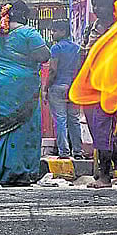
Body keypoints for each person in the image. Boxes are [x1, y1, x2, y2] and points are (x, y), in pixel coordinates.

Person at [0, 0, 50, 187]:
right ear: (24, 15)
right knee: (22, 130)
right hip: (22, 91)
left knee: (0, 131)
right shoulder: (28, 33)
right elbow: (44, 56)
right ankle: (18, 172)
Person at [83, 0, 117, 186]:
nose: (96, 9)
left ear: (112, 5)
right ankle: (109, 173)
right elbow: (86, 56)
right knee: (101, 131)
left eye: (100, 5)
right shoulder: (93, 29)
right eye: (94, 5)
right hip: (98, 88)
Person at [45, 20, 83, 159]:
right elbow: (79, 69)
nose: (52, 33)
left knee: (60, 120)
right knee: (74, 120)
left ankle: (64, 152)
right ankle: (78, 151)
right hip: (73, 87)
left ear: (63, 32)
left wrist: (45, 88)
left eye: (55, 31)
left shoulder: (56, 48)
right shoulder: (77, 48)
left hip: (57, 87)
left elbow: (53, 70)